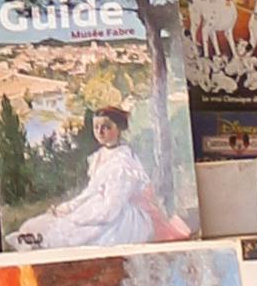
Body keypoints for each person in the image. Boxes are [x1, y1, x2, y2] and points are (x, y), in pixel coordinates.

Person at [21, 95, 179, 249]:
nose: (100, 132)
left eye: (106, 127)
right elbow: (91, 191)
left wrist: (76, 217)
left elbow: (110, 210)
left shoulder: (123, 163)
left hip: (121, 219)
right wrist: (67, 208)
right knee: (39, 225)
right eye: (96, 127)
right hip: (98, 207)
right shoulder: (101, 156)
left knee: (70, 236)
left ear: (119, 129)